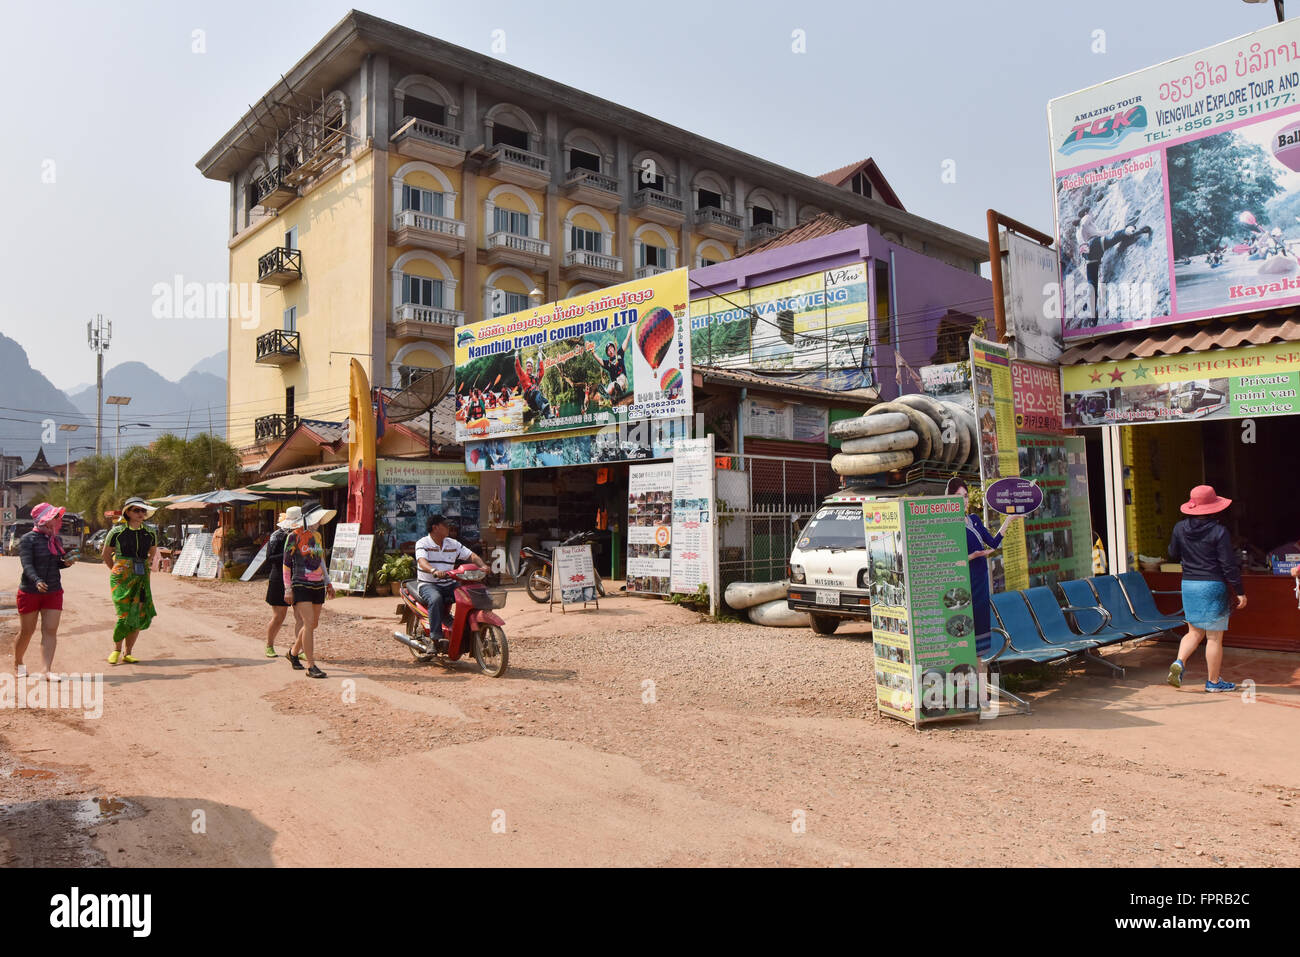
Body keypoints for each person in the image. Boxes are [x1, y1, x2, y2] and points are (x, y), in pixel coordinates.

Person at [1166, 485, 1245, 692]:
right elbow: (1228, 564)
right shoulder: (1219, 531)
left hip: (1189, 584)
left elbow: (1172, 552)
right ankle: (1214, 682)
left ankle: (1179, 662)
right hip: (1212, 585)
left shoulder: (1179, 528)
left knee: (1193, 631)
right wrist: (1239, 591)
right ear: (1214, 508)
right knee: (1214, 637)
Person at [947, 478, 1022, 653]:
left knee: (981, 629)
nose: (963, 500)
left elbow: (993, 543)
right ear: (949, 498)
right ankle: (965, 669)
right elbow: (949, 562)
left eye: (965, 496)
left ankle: (981, 674)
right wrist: (972, 556)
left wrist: (1009, 520)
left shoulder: (973, 519)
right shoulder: (948, 525)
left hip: (981, 579)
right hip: (965, 582)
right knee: (965, 628)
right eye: (958, 496)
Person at [14, 503, 75, 680]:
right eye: (55, 517)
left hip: (54, 591)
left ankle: (46, 670)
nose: (58, 520)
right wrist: (37, 580)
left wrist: (66, 563)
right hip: (30, 591)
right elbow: (27, 565)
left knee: (50, 629)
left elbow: (56, 564)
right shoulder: (27, 539)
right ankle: (18, 663)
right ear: (45, 520)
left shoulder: (57, 540)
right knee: (27, 631)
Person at [101, 497, 159, 665]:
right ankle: (116, 650)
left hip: (141, 576)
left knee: (138, 613)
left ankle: (128, 653)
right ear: (128, 512)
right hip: (121, 576)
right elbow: (106, 554)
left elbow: (153, 552)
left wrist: (146, 564)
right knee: (123, 613)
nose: (141, 513)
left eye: (143, 510)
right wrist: (117, 569)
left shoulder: (150, 532)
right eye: (137, 510)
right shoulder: (116, 532)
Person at [282, 500, 336, 678]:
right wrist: (287, 589)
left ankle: (293, 652)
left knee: (313, 624)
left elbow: (321, 561)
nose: (318, 522)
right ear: (306, 519)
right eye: (315, 519)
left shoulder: (318, 537)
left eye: (319, 519)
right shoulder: (293, 537)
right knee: (308, 622)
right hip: (300, 584)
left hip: (318, 584)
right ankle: (311, 666)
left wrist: (328, 583)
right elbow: (286, 565)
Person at [414, 512, 488, 642]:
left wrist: (483, 566)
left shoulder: (453, 543)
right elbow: (421, 561)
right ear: (435, 527)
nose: (449, 528)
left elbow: (472, 556)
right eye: (446, 525)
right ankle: (434, 639)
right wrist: (433, 570)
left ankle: (469, 630)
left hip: (449, 584)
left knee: (472, 597)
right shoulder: (423, 543)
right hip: (428, 584)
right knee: (436, 599)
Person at [1075, 210, 1153, 317]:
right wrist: (1090, 220)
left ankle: (1091, 310)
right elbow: (1085, 224)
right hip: (1094, 244)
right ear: (1086, 213)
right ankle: (1132, 231)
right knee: (1119, 235)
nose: (1092, 215)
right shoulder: (1085, 219)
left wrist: (1108, 231)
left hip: (1088, 255)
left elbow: (1099, 233)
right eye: (1091, 213)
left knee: (1092, 282)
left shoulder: (1078, 231)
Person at [262, 511, 301, 659]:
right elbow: (269, 558)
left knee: (301, 617)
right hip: (279, 578)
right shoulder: (277, 536)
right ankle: (269, 645)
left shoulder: (303, 536)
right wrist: (288, 554)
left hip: (298, 578)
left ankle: (298, 649)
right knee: (279, 616)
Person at [515, 350, 552, 418]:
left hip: (536, 402)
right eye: (527, 366)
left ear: (532, 368)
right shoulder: (523, 376)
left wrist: (540, 357)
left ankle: (548, 416)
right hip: (530, 401)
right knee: (536, 392)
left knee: (546, 401)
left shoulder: (535, 378)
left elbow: (541, 373)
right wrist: (516, 357)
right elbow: (518, 368)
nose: (528, 368)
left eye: (530, 366)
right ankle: (542, 407)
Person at [599, 329, 634, 400]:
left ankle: (620, 388)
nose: (610, 350)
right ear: (607, 354)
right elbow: (599, 361)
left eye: (611, 348)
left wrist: (630, 328)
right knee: (611, 385)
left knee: (620, 380)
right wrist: (593, 353)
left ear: (614, 348)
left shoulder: (620, 353)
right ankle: (607, 393)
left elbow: (627, 339)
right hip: (615, 383)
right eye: (608, 350)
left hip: (623, 380)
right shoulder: (608, 363)